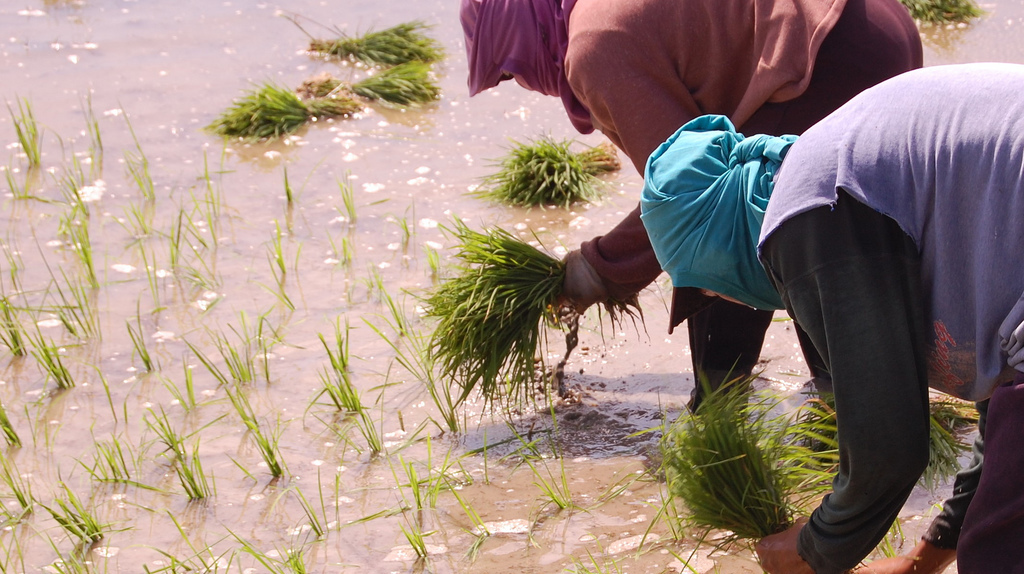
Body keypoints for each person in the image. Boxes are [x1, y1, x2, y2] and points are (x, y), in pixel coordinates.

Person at [639, 62, 1024, 573]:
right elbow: (1002, 409)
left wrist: (812, 549)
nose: (733, 301)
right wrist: (921, 559)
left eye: (710, 285)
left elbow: (888, 446)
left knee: (1000, 555)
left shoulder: (809, 210)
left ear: (720, 245)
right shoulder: (849, 167)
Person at [459, 0, 923, 407]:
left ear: (527, 30)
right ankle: (850, 403)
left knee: (727, 237)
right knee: (812, 221)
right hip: (873, 24)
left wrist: (595, 271)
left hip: (828, 54)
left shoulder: (593, 45)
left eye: (509, 69)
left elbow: (693, 201)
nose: (522, 83)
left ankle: (728, 410)